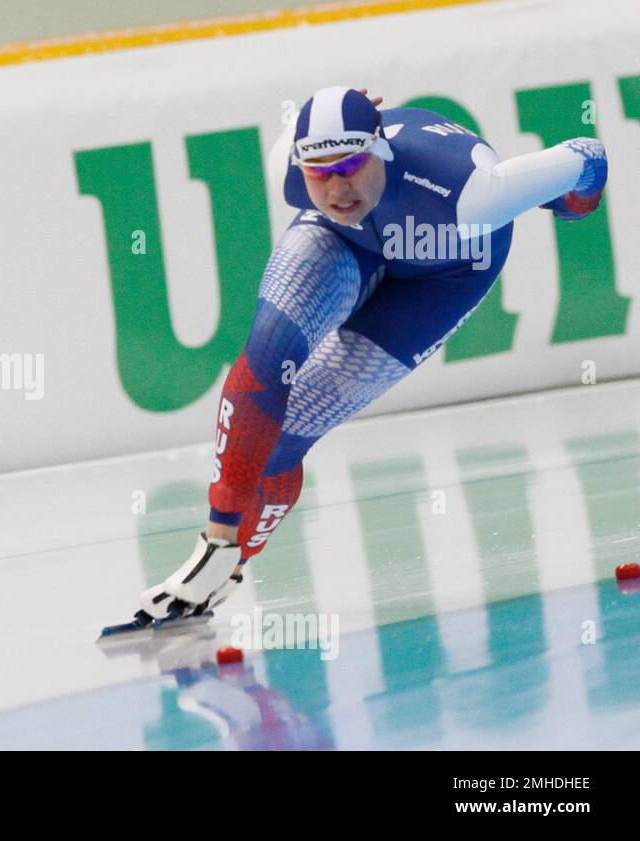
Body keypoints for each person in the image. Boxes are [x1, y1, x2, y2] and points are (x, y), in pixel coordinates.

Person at [134, 86, 607, 624]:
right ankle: (216, 550)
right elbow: (317, 166)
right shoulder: (287, 170)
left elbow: (589, 155)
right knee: (270, 353)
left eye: (352, 164)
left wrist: (572, 202)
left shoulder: (476, 192)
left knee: (286, 435)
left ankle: (235, 562)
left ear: (380, 147)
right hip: (346, 244)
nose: (337, 188)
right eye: (319, 172)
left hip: (440, 282)